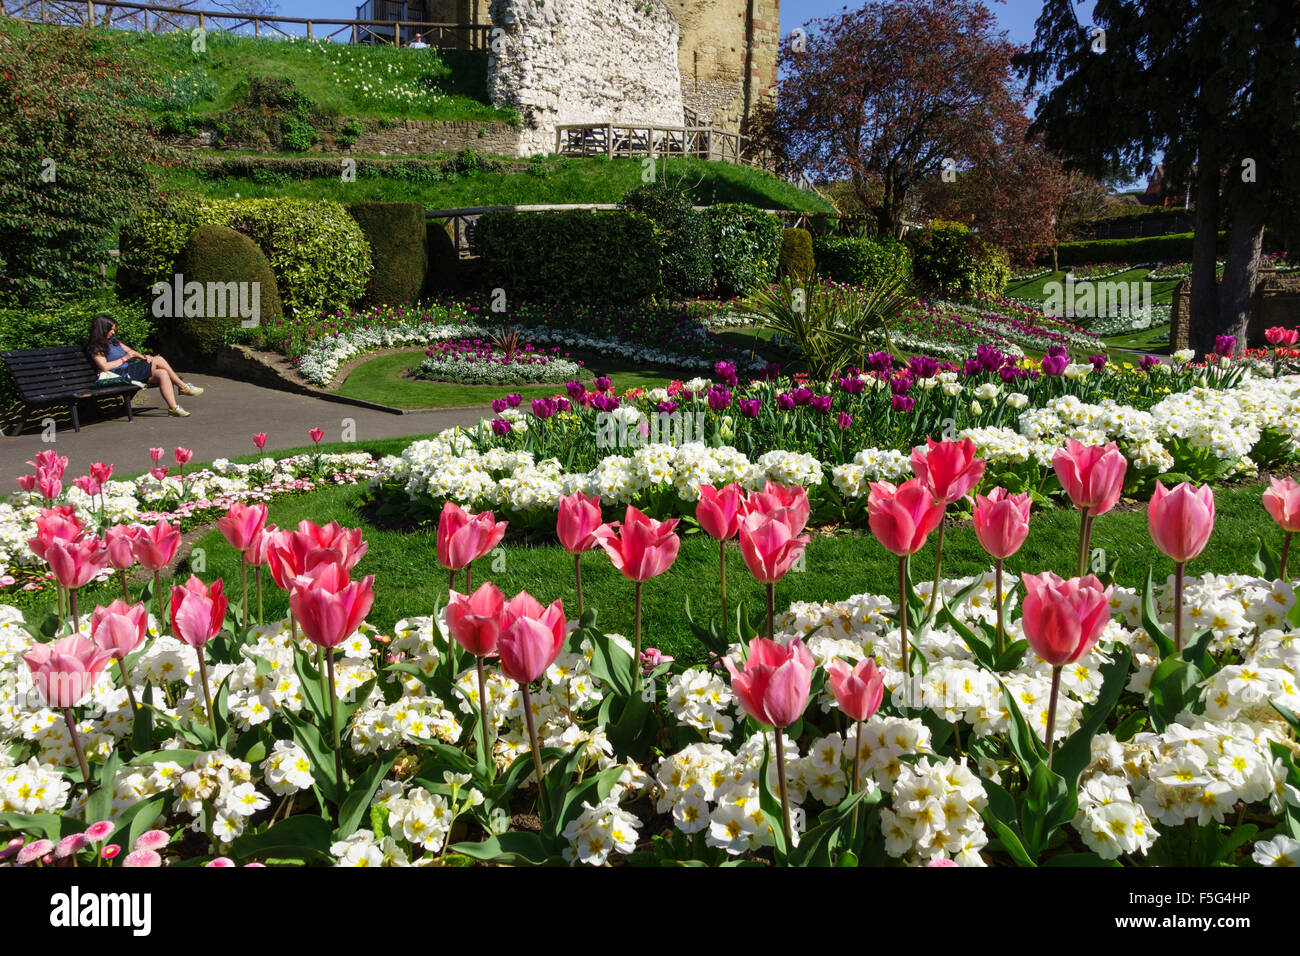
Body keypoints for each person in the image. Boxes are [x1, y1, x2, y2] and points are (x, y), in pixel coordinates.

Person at [86, 314, 203, 418]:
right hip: (119, 375)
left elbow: (130, 351)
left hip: (129, 371)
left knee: (162, 373)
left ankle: (174, 408)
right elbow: (104, 367)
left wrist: (144, 357)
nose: (113, 332)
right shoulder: (95, 346)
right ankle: (182, 387)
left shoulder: (113, 340)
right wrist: (125, 358)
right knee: (159, 359)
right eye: (111, 330)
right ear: (102, 329)